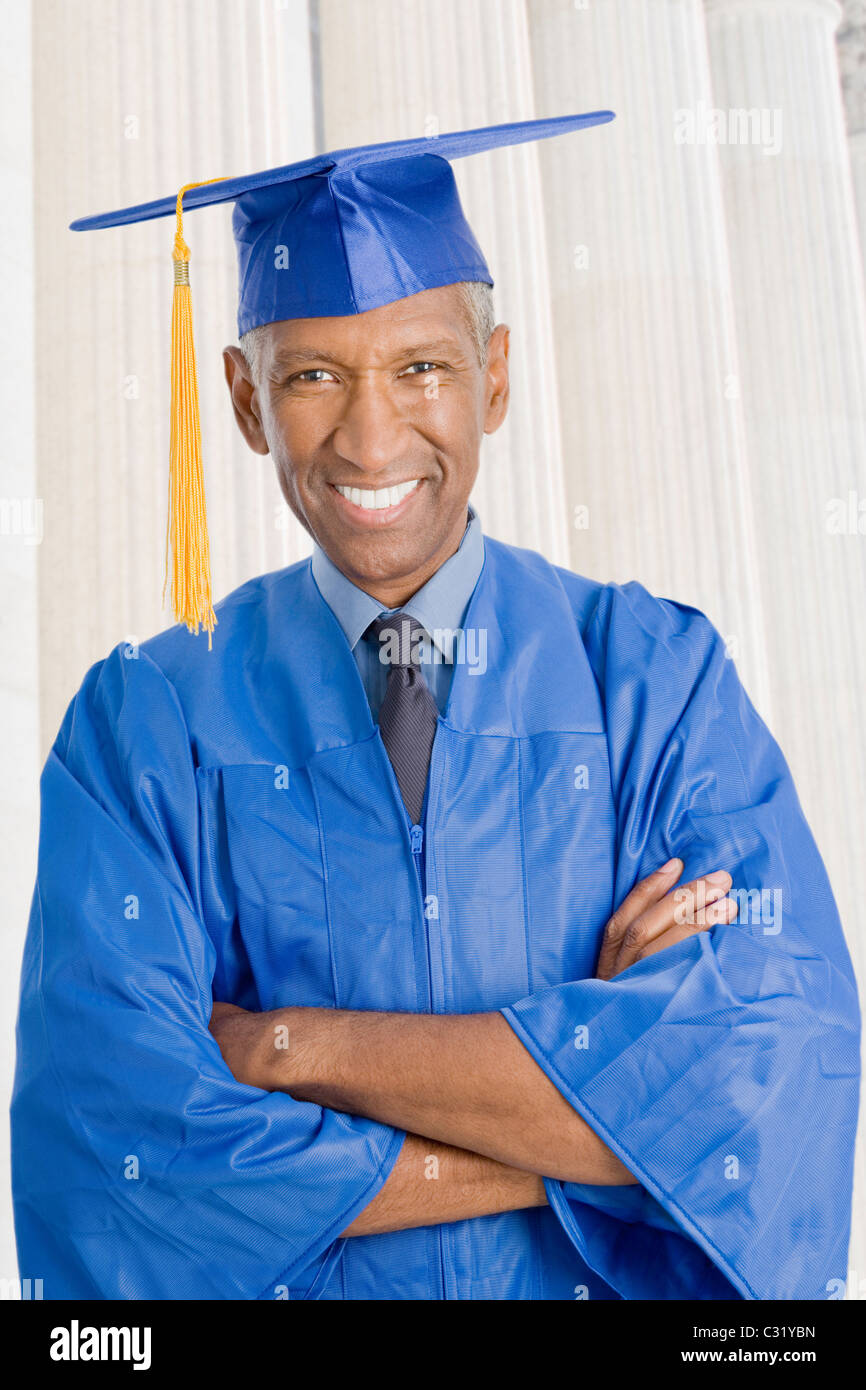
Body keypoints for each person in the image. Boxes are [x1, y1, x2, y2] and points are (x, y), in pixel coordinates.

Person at [11, 115, 860, 1301]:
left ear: (493, 378)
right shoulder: (144, 728)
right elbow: (122, 1156)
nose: (370, 435)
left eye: (421, 366)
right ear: (247, 404)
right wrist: (617, 1133)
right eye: (311, 375)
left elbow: (768, 1082)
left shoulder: (653, 681)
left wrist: (282, 1048)